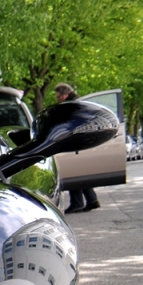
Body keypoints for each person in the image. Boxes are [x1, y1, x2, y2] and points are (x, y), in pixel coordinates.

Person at [54, 82, 100, 213]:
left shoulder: (69, 106)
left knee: (73, 171)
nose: (57, 99)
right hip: (80, 140)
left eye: (58, 96)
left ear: (65, 94)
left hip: (74, 141)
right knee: (78, 171)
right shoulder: (77, 103)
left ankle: (79, 202)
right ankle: (89, 200)